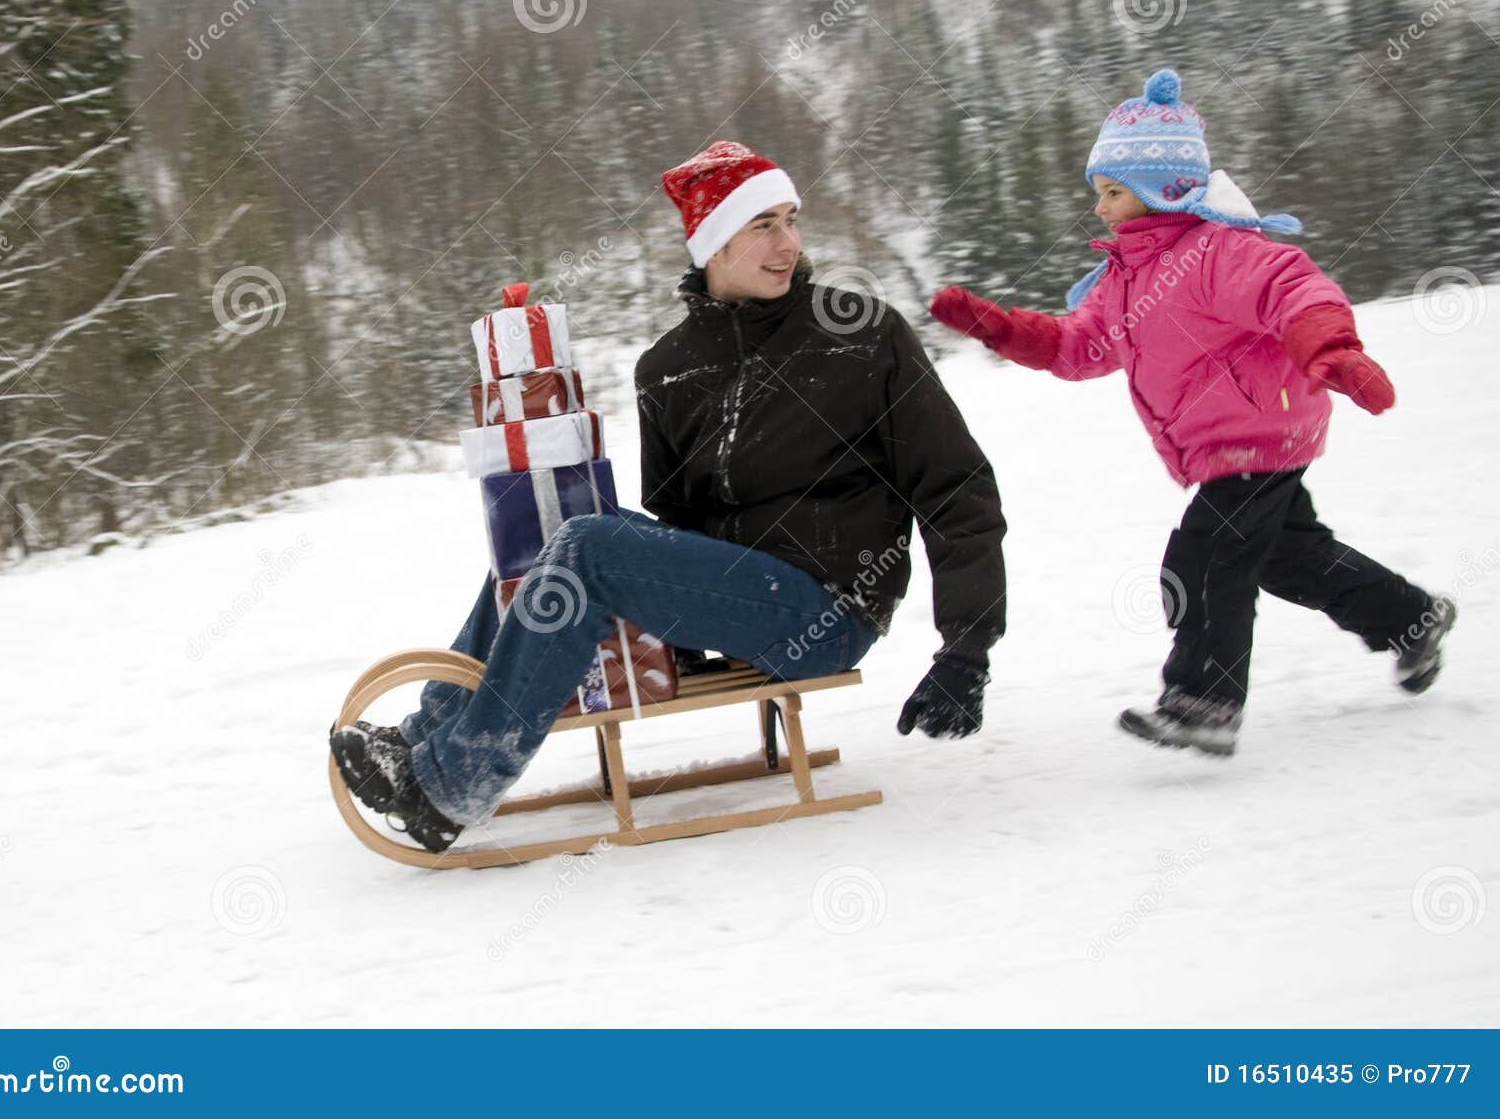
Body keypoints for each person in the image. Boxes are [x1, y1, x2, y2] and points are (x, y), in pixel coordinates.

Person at [330, 141, 1008, 851]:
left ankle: (451, 786)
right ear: (713, 245)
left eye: (789, 219)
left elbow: (957, 486)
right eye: (763, 226)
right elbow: (680, 522)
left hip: (829, 610)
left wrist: (966, 651)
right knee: (561, 531)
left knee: (587, 549)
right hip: (742, 605)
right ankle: (424, 739)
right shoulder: (669, 368)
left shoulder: (861, 334)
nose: (789, 243)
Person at [931, 68, 1454, 758]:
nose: (1100, 210)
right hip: (1229, 443)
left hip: (1259, 431)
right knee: (1291, 558)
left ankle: (1203, 699)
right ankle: (1411, 619)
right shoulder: (1125, 278)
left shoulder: (1219, 252)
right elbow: (1076, 347)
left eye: (1112, 193)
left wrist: (1332, 351)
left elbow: (1295, 290)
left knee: (1204, 560)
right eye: (1100, 193)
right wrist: (995, 326)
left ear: (1160, 190)